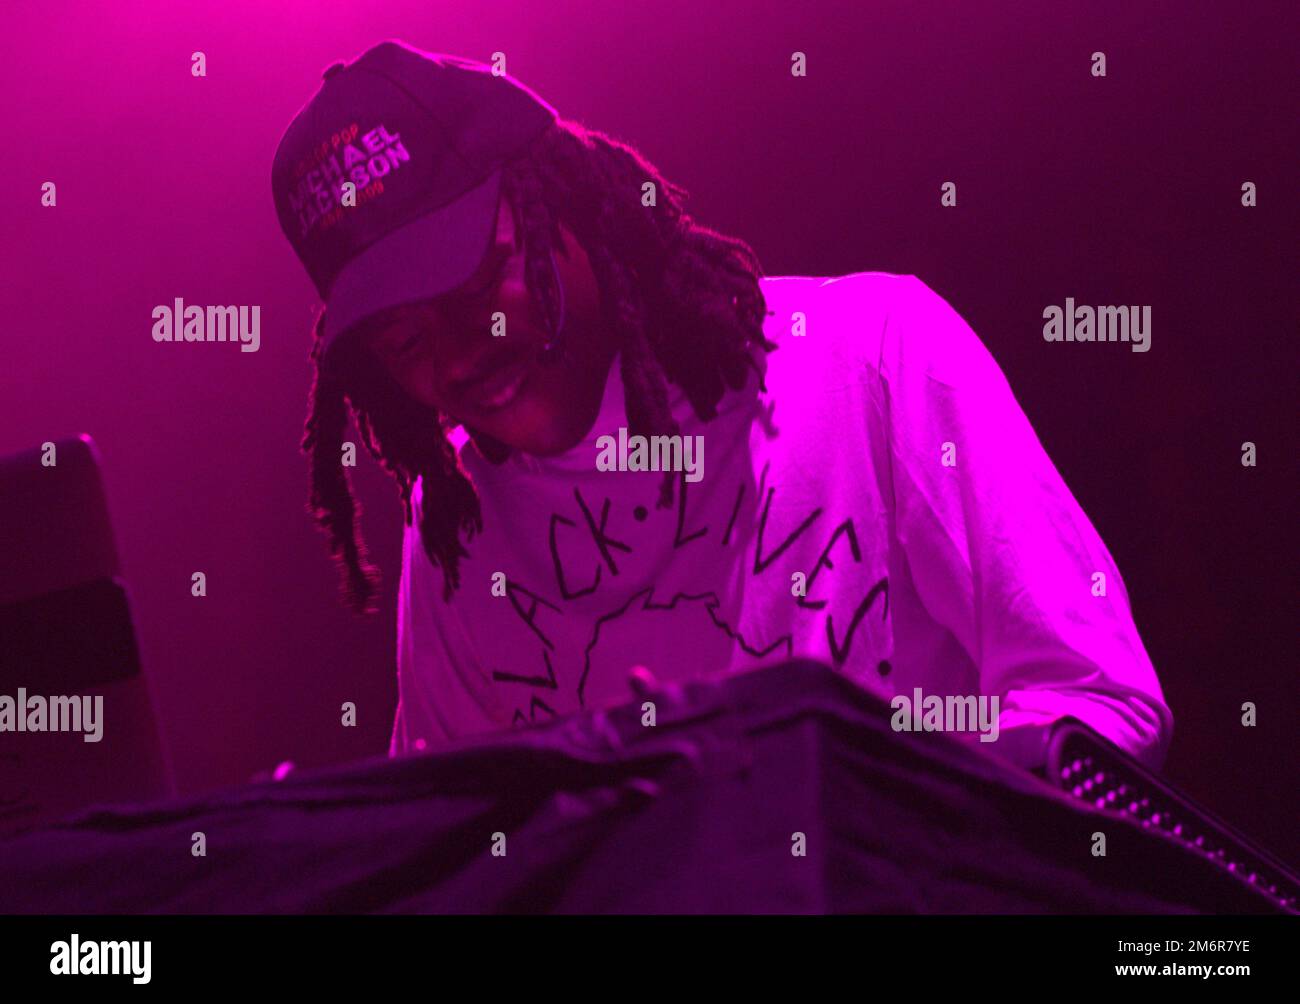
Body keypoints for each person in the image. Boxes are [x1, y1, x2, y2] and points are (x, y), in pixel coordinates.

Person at [272, 40, 1172, 770]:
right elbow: (459, 851)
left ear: (563, 204)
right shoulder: (457, 528)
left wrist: (826, 804)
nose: (463, 355)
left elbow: (1100, 708)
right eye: (407, 344)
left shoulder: (872, 356)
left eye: (479, 284)